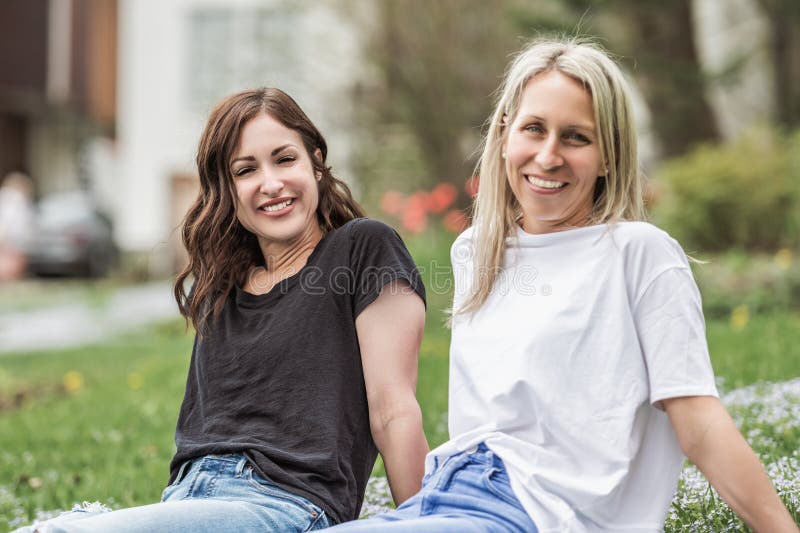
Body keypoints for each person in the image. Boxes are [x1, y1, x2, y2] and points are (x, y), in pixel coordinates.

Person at [328, 38, 799, 533]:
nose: (548, 156)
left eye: (576, 137)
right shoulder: (475, 252)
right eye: (534, 129)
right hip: (448, 497)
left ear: (610, 156)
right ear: (505, 135)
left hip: (541, 516)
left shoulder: (639, 254)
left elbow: (699, 422)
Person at [14, 88, 429, 533]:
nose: (270, 183)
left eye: (285, 159)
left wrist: (427, 526)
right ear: (227, 189)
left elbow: (394, 412)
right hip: (188, 501)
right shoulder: (221, 288)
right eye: (246, 170)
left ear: (316, 160)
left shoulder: (362, 248)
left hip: (287, 507)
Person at [0, 171, 34, 281]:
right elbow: (7, 222)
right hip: (11, 243)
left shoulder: (11, 198)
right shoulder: (13, 199)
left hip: (13, 243)